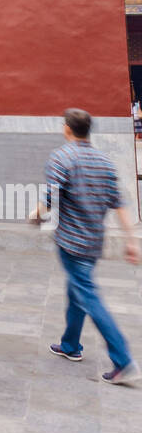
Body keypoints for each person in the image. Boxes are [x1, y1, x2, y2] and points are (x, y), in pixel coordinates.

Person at [32, 107, 141, 385]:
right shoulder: (104, 161)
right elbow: (119, 204)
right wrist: (130, 240)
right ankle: (70, 345)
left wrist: (36, 214)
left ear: (67, 128)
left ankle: (123, 360)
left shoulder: (62, 157)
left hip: (71, 242)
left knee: (88, 296)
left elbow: (51, 196)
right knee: (77, 290)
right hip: (94, 242)